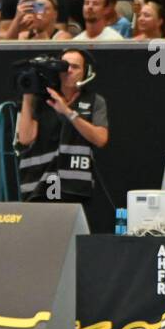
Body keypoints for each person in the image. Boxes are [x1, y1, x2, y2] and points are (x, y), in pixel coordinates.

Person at [15, 48, 110, 231]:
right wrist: (27, 97)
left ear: (86, 72)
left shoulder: (94, 101)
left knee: (69, 237)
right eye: (65, 66)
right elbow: (25, 139)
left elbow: (101, 139)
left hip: (74, 184)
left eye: (75, 67)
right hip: (39, 182)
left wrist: (68, 112)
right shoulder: (40, 99)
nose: (69, 71)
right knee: (42, 236)